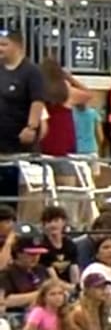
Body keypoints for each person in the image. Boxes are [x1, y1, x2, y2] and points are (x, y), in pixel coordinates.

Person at [0, 26, 47, 207]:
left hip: (18, 145)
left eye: (4, 44)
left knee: (11, 199)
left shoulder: (31, 72)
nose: (0, 49)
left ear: (18, 46)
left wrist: (31, 127)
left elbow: (37, 101)